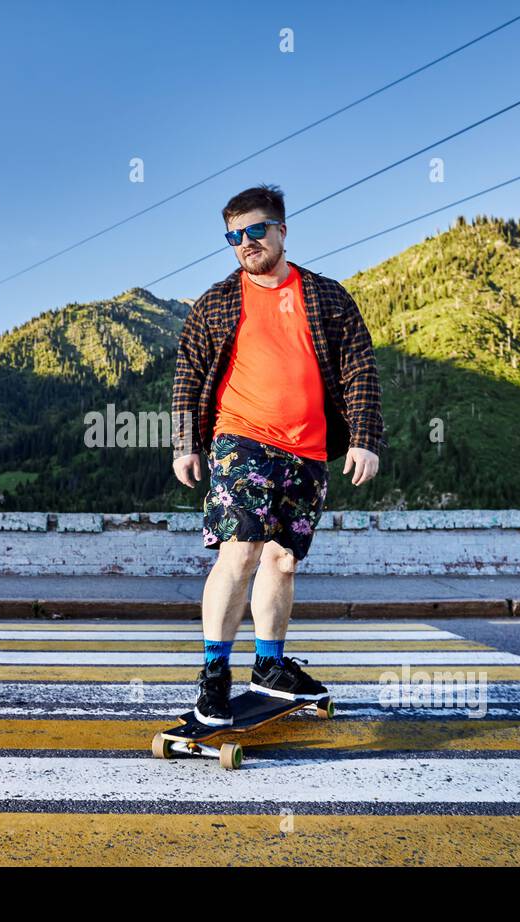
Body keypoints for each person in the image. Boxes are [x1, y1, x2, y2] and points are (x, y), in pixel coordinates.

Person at [171, 184, 386, 726]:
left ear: (282, 231)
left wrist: (364, 437)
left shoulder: (327, 297)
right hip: (241, 439)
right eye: (234, 235)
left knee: (282, 560)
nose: (245, 242)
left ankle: (268, 666)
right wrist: (185, 445)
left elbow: (359, 367)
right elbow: (187, 375)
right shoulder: (217, 302)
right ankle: (213, 677)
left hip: (308, 450)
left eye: (255, 231)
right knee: (240, 551)